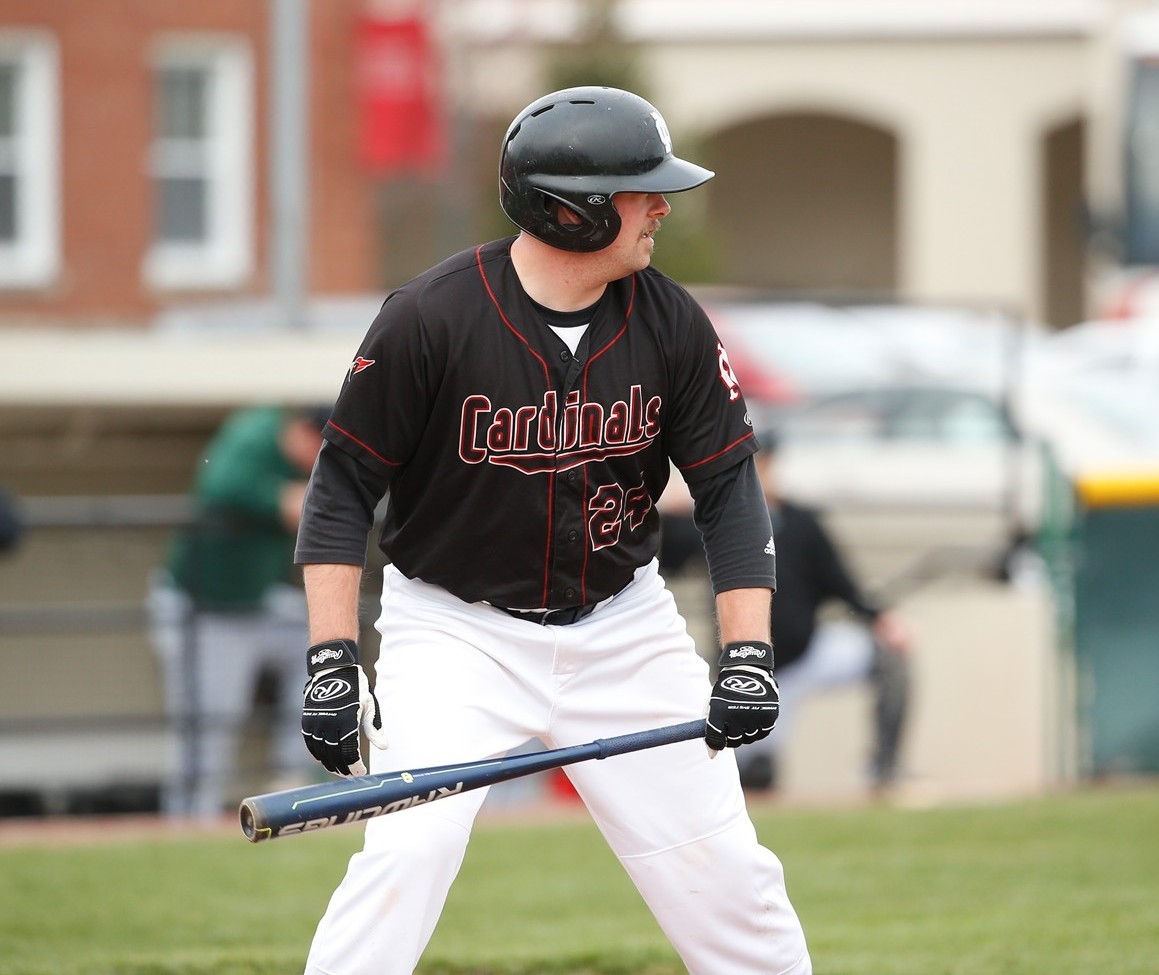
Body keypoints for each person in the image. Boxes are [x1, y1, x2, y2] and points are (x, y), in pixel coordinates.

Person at [293, 87, 812, 975]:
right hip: (456, 629)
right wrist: (333, 661)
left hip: (622, 626)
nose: (660, 206)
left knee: (728, 878)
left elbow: (727, 488)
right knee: (405, 858)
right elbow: (341, 489)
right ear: (567, 209)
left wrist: (748, 653)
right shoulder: (430, 315)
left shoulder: (671, 321)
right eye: (639, 189)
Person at [147, 405, 328, 817]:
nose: (321, 455)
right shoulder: (258, 431)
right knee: (212, 725)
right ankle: (190, 824)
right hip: (203, 608)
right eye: (319, 442)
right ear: (302, 429)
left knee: (324, 641)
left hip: (258, 603)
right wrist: (281, 498)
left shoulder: (312, 463)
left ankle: (294, 775)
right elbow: (221, 484)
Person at [736, 430, 913, 797]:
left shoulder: (800, 521)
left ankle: (884, 769)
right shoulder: (716, 518)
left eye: (763, 459)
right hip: (751, 671)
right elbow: (663, 555)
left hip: (810, 651)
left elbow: (840, 581)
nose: (758, 468)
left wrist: (880, 617)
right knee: (755, 776)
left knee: (889, 658)